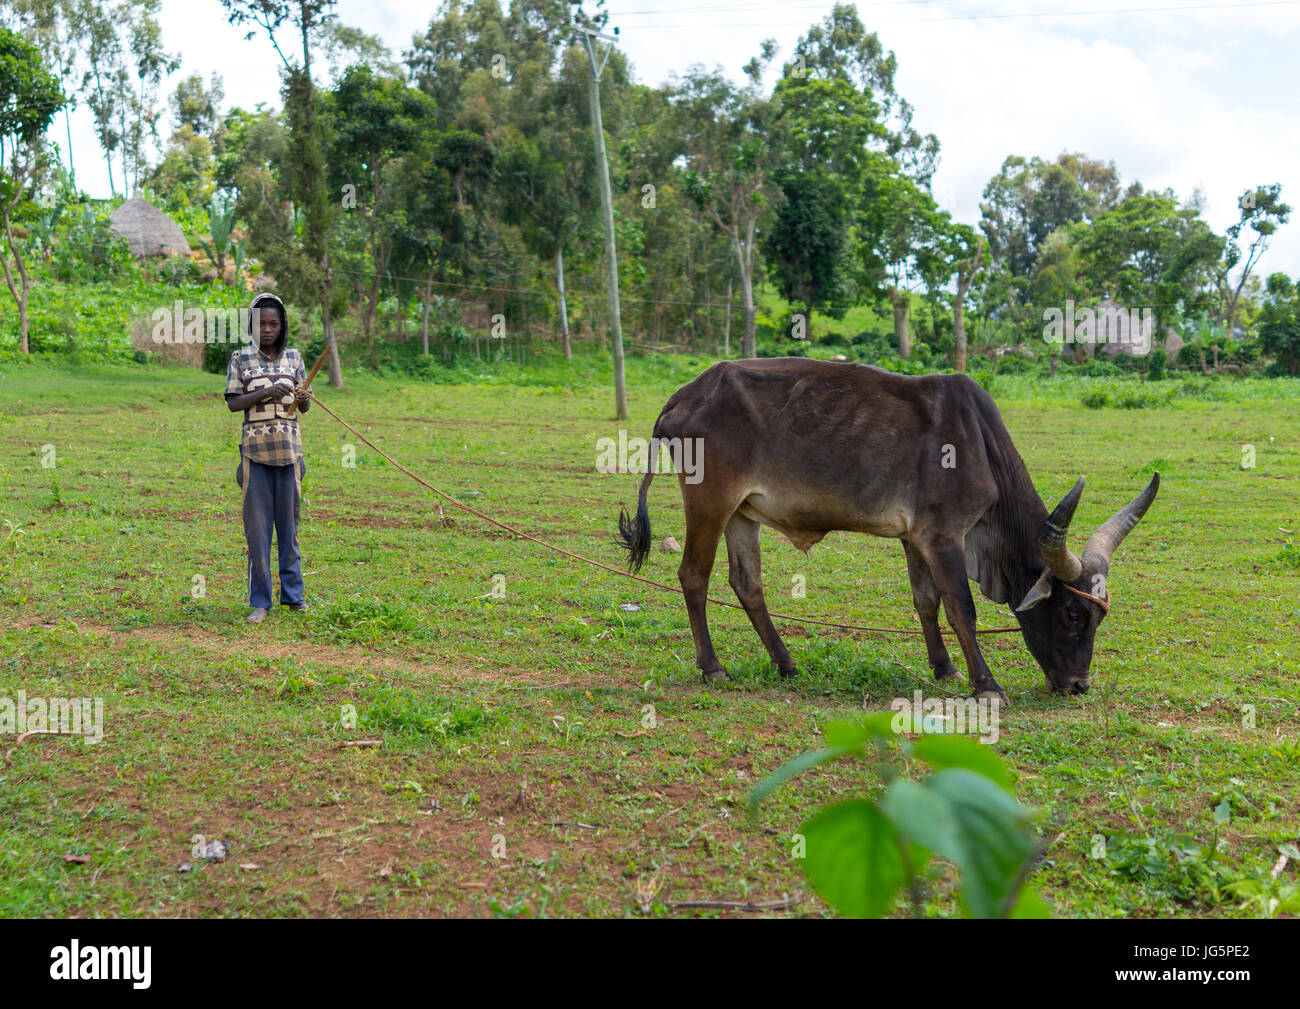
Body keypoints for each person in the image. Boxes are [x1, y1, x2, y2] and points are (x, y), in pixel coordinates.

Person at [224, 292, 312, 624]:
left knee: (289, 530)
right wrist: (266, 392)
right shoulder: (240, 359)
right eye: (261, 323)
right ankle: (260, 602)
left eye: (274, 323)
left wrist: (302, 398)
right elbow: (233, 403)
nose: (267, 329)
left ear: (283, 326)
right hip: (255, 457)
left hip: (290, 457)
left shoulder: (295, 358)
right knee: (257, 532)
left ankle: (294, 597)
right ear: (251, 325)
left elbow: (304, 406)